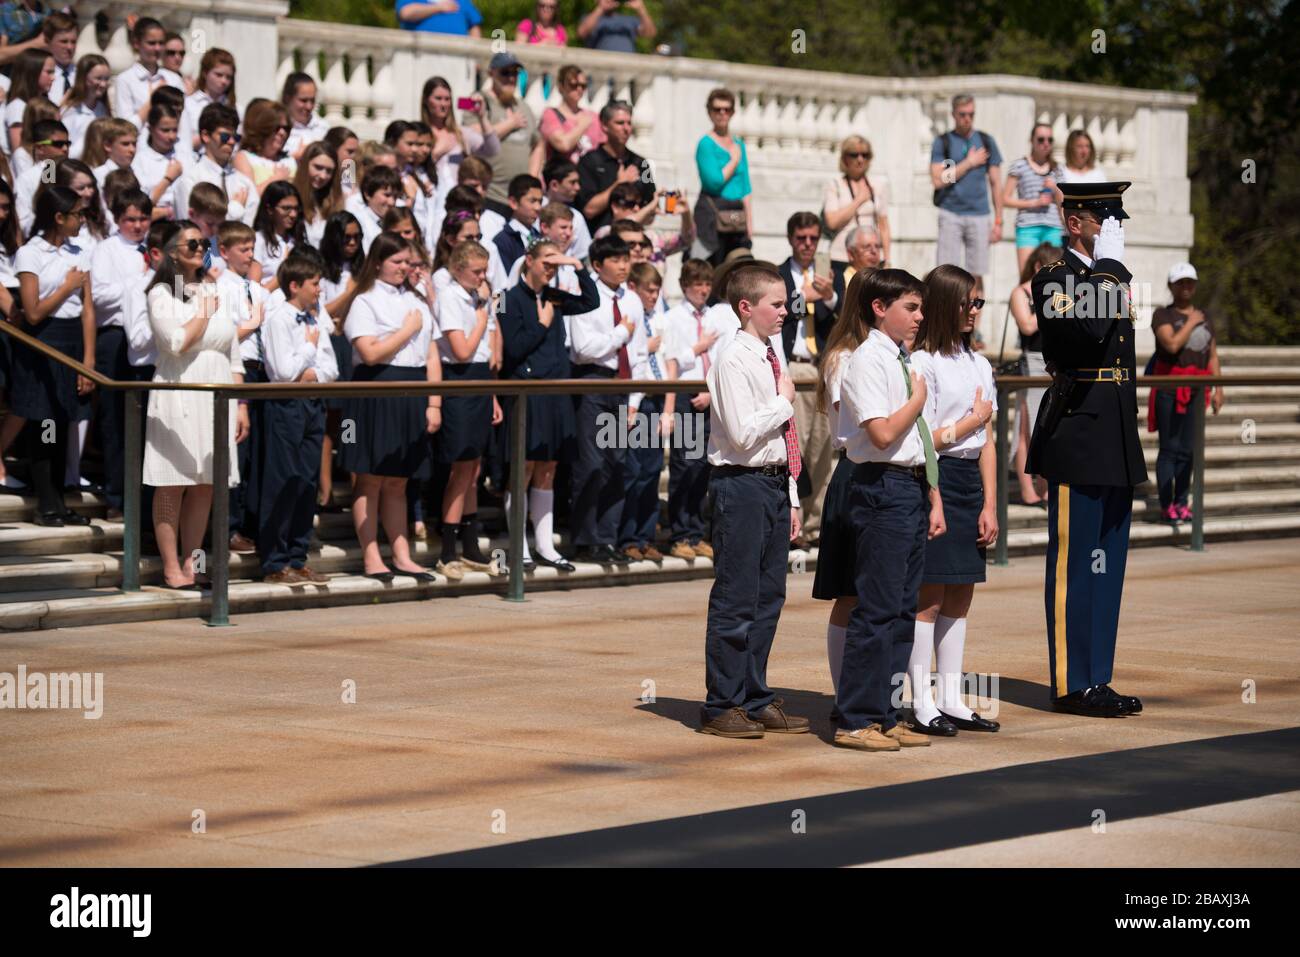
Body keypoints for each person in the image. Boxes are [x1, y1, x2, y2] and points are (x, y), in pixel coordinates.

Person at [1027, 181, 1147, 717]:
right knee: (1076, 564)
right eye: (1106, 220)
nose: (1113, 232)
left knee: (1108, 563)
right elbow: (1087, 330)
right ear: (1075, 224)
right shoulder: (1053, 279)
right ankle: (1071, 683)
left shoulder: (1104, 274)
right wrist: (1111, 271)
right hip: (1077, 430)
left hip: (1113, 430)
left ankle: (1098, 677)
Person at [834, 268, 945, 752]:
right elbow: (880, 434)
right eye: (911, 307)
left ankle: (885, 712)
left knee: (902, 609)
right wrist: (918, 400)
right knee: (876, 609)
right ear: (880, 308)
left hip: (910, 486)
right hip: (881, 487)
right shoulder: (866, 361)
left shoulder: (902, 359)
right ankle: (855, 718)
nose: (920, 317)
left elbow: (915, 444)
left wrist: (933, 492)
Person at [697, 262, 809, 738]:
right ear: (747, 307)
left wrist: (792, 496)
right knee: (736, 597)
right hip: (740, 484)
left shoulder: (767, 354)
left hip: (771, 482)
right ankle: (722, 702)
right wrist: (785, 400)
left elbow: (779, 439)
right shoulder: (733, 358)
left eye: (786, 302)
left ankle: (753, 694)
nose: (786, 311)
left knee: (768, 597)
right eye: (776, 303)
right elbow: (743, 434)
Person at [907, 263, 1000, 736]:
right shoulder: (923, 362)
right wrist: (935, 495)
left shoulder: (978, 362)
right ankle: (920, 699)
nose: (976, 311)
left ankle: (950, 696)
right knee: (930, 594)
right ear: (947, 303)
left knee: (961, 592)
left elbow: (989, 440)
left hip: (970, 482)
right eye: (969, 302)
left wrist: (990, 504)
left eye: (980, 302)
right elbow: (924, 437)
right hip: (936, 476)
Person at [143, 220, 249, 589]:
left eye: (203, 243)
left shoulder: (212, 286)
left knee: (206, 484)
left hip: (217, 389)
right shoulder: (161, 293)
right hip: (180, 389)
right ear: (172, 251)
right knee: (173, 481)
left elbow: (233, 349)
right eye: (191, 244)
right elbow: (174, 342)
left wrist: (241, 404)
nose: (200, 248)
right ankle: (171, 566)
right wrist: (203, 312)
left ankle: (194, 562)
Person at [340, 231, 444, 582]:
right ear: (379, 262)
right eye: (396, 261)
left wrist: (434, 401)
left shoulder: (416, 300)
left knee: (399, 480)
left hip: (412, 388)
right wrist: (405, 331)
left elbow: (431, 351)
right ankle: (371, 556)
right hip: (377, 386)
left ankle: (402, 554)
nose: (403, 268)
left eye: (408, 262)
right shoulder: (365, 300)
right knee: (370, 478)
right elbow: (369, 352)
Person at [500, 238, 597, 573]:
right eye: (546, 263)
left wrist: (577, 266)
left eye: (555, 265)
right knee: (523, 467)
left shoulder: (554, 296)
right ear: (529, 260)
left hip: (556, 390)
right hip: (527, 391)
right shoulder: (506, 298)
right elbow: (512, 350)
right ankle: (519, 547)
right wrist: (541, 326)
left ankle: (545, 545)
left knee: (549, 468)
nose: (550, 270)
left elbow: (590, 301)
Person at [10, 185, 95, 526]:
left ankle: (60, 500)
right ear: (58, 217)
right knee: (44, 422)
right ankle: (46, 502)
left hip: (72, 338)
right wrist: (65, 286)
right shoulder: (30, 253)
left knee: (63, 421)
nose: (81, 220)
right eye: (76, 214)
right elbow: (31, 312)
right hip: (43, 340)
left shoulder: (80, 250)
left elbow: (88, 310)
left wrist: (88, 362)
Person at [809, 270, 872, 702]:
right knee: (849, 591)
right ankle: (843, 692)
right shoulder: (843, 357)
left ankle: (875, 689)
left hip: (891, 472)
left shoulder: (888, 353)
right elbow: (855, 419)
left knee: (883, 594)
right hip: (857, 470)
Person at [257, 251, 338, 583]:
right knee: (283, 479)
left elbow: (331, 369)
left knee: (307, 480)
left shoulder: (316, 320)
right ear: (295, 285)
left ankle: (297, 554)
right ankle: (275, 561)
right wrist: (307, 353)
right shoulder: (278, 319)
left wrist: (311, 374)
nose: (319, 290)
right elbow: (282, 372)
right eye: (315, 284)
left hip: (313, 403)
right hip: (286, 405)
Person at [567, 235, 644, 564]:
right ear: (597, 265)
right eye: (615, 259)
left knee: (618, 463)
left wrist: (636, 400)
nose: (624, 265)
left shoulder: (633, 300)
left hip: (622, 386)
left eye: (626, 258)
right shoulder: (585, 295)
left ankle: (607, 538)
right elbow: (583, 350)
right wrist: (620, 334)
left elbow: (638, 353)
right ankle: (585, 539)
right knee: (592, 463)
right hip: (593, 382)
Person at [433, 239, 502, 575]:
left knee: (473, 469)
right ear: (458, 269)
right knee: (460, 469)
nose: (481, 276)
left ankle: (471, 546)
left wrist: (492, 395)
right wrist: (479, 319)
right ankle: (447, 550)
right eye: (476, 271)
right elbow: (461, 350)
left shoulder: (478, 298)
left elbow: (487, 353)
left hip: (479, 381)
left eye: (484, 270)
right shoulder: (450, 297)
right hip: (458, 380)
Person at [778, 210, 842, 546]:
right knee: (796, 446)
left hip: (825, 365)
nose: (807, 244)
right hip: (795, 364)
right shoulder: (778, 275)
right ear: (790, 239)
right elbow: (775, 311)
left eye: (813, 239)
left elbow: (843, 311)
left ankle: (815, 525)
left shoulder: (830, 273)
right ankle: (794, 524)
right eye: (801, 238)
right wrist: (804, 298)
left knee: (821, 449)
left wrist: (829, 295)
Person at [90, 188, 154, 519]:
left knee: (147, 419)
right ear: (117, 219)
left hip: (150, 337)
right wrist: (139, 286)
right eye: (131, 219)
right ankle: (116, 496)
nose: (138, 225)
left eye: (144, 218)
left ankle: (145, 498)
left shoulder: (154, 250)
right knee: (116, 418)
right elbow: (99, 295)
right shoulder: (107, 250)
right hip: (115, 336)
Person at [1149, 262, 1224, 524]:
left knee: (1189, 450)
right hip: (1169, 389)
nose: (1186, 287)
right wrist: (1191, 322)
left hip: (1196, 389)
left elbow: (1212, 355)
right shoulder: (1163, 315)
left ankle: (1182, 502)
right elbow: (1170, 344)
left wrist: (1218, 387)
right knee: (1169, 448)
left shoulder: (1205, 316)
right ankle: (1166, 504)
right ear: (1171, 286)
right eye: (1180, 282)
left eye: (1190, 282)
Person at [215, 220, 268, 556]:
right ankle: (228, 526)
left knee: (256, 454)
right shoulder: (221, 287)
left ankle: (251, 522)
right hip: (237, 367)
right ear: (223, 251)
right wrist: (251, 325)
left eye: (252, 249)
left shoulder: (257, 289)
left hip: (261, 370)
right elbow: (223, 336)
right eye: (243, 249)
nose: (250, 255)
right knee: (238, 448)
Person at [618, 261, 676, 562]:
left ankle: (644, 536)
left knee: (652, 472)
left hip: (655, 398)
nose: (653, 296)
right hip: (632, 401)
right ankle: (626, 536)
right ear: (634, 289)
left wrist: (668, 409)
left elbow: (669, 366)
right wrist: (645, 347)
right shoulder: (629, 317)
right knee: (632, 471)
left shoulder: (662, 320)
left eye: (657, 291)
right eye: (648, 291)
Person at [661, 258, 715, 560]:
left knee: (704, 468)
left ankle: (696, 531)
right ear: (685, 286)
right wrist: (697, 347)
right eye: (698, 285)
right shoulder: (674, 318)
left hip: (707, 395)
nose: (703, 290)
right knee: (684, 466)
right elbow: (671, 358)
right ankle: (679, 532)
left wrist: (710, 391)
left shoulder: (713, 316)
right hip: (684, 394)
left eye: (707, 285)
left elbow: (719, 355)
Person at [930, 94, 1003, 283]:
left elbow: (996, 183)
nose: (967, 118)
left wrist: (998, 221)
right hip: (950, 214)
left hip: (980, 215)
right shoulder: (943, 142)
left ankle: (976, 313)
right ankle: (948, 313)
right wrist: (969, 163)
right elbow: (938, 180)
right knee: (946, 275)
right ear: (953, 114)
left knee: (976, 277)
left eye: (971, 114)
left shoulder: (986, 141)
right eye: (962, 114)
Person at [1007, 241, 1059, 507]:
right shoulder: (1021, 292)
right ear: (1039, 266)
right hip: (1032, 362)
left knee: (1049, 427)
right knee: (1027, 428)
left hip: (1054, 362)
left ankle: (1045, 486)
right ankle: (1028, 489)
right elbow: (1027, 326)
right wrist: (1052, 305)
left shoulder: (1056, 293)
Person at [690, 87, 751, 267]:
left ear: (732, 112)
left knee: (737, 269)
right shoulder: (706, 144)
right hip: (712, 218)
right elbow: (714, 182)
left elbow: (745, 186)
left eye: (727, 109)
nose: (722, 114)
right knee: (711, 268)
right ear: (709, 112)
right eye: (717, 109)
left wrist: (749, 223)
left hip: (736, 219)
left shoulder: (739, 144)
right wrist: (733, 160)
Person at [475, 52, 541, 212]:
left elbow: (538, 144)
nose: (511, 78)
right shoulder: (476, 99)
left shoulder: (524, 107)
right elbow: (473, 138)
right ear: (491, 73)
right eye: (505, 73)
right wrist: (510, 124)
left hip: (520, 200)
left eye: (515, 73)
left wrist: (532, 179)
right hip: (489, 196)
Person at [173, 104, 257, 226]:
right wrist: (234, 211)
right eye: (225, 136)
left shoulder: (244, 183)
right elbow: (189, 229)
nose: (232, 142)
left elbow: (248, 230)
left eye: (236, 137)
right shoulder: (190, 180)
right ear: (206, 136)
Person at [577, 100, 654, 233]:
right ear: (604, 126)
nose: (626, 128)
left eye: (629, 123)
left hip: (634, 241)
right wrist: (619, 184)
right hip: (600, 242)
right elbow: (589, 210)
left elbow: (651, 212)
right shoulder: (589, 161)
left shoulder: (642, 163)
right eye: (620, 123)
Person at [822, 135, 890, 282]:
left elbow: (883, 225)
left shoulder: (878, 185)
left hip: (869, 258)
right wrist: (858, 200)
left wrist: (887, 259)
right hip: (840, 256)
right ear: (845, 158)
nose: (860, 160)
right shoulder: (835, 185)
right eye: (854, 155)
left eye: (865, 155)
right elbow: (832, 222)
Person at [1003, 123, 1066, 273]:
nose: (1046, 144)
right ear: (1032, 141)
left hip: (1053, 227)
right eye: (1041, 139)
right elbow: (1005, 199)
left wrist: (1055, 189)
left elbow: (1063, 201)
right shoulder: (1019, 165)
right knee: (1027, 274)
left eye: (1050, 140)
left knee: (1053, 275)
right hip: (1027, 227)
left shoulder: (1057, 169)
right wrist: (1034, 202)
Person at [113, 17, 184, 130]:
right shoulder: (125, 79)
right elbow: (124, 127)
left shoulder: (174, 79)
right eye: (151, 43)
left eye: (161, 43)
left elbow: (184, 122)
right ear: (136, 43)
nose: (157, 48)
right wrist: (154, 100)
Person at [177, 48, 237, 159]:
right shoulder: (189, 104)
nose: (224, 81)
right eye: (218, 75)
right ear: (205, 73)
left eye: (228, 77)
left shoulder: (235, 109)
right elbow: (182, 145)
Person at [131, 99, 184, 220]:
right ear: (150, 129)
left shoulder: (185, 156)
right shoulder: (140, 161)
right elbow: (143, 205)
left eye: (175, 130)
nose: (171, 136)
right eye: (165, 130)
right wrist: (168, 179)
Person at [539, 65, 603, 165]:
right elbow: (563, 144)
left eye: (583, 86)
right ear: (561, 87)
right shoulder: (550, 114)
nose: (579, 89)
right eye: (573, 85)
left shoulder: (594, 116)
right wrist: (582, 126)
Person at [251, 180, 304, 289]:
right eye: (286, 208)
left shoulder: (297, 241)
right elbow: (254, 292)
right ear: (269, 209)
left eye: (296, 208)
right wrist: (287, 268)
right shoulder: (258, 240)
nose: (293, 214)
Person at [235, 99, 295, 194]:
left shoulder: (290, 160)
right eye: (277, 127)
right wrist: (276, 178)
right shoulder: (244, 158)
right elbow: (249, 197)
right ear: (263, 129)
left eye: (286, 128)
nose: (282, 133)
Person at [61, 54, 111, 161]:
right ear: (83, 78)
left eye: (106, 79)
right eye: (98, 78)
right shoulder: (69, 111)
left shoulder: (103, 109)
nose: (103, 84)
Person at [5, 47, 54, 155]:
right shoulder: (18, 107)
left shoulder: (46, 101)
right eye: (48, 72)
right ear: (33, 72)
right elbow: (19, 152)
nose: (53, 77)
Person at [542, 158, 592, 261]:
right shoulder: (535, 211)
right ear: (554, 185)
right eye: (572, 182)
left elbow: (582, 256)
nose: (578, 187)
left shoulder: (577, 217)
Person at [295, 141, 342, 247]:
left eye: (329, 171)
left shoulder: (336, 202)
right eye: (318, 167)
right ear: (305, 164)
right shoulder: (290, 195)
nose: (323, 176)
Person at [492, 173, 543, 269]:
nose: (538, 207)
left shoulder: (539, 236)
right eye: (532, 201)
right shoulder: (503, 241)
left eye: (540, 201)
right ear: (514, 203)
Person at [578, 0, 655, 51]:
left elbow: (650, 33)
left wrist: (641, 9)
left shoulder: (629, 19)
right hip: (601, 66)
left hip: (627, 66)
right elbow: (582, 32)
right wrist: (600, 8)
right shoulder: (590, 18)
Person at [41, 11, 78, 104]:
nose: (70, 47)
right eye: (63, 41)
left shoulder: (81, 76)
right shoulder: (40, 77)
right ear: (48, 41)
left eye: (73, 42)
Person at [396, 0, 483, 37]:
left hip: (457, 59)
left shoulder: (462, 1)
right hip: (418, 56)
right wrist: (439, 8)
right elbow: (406, 13)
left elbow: (474, 27)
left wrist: (475, 59)